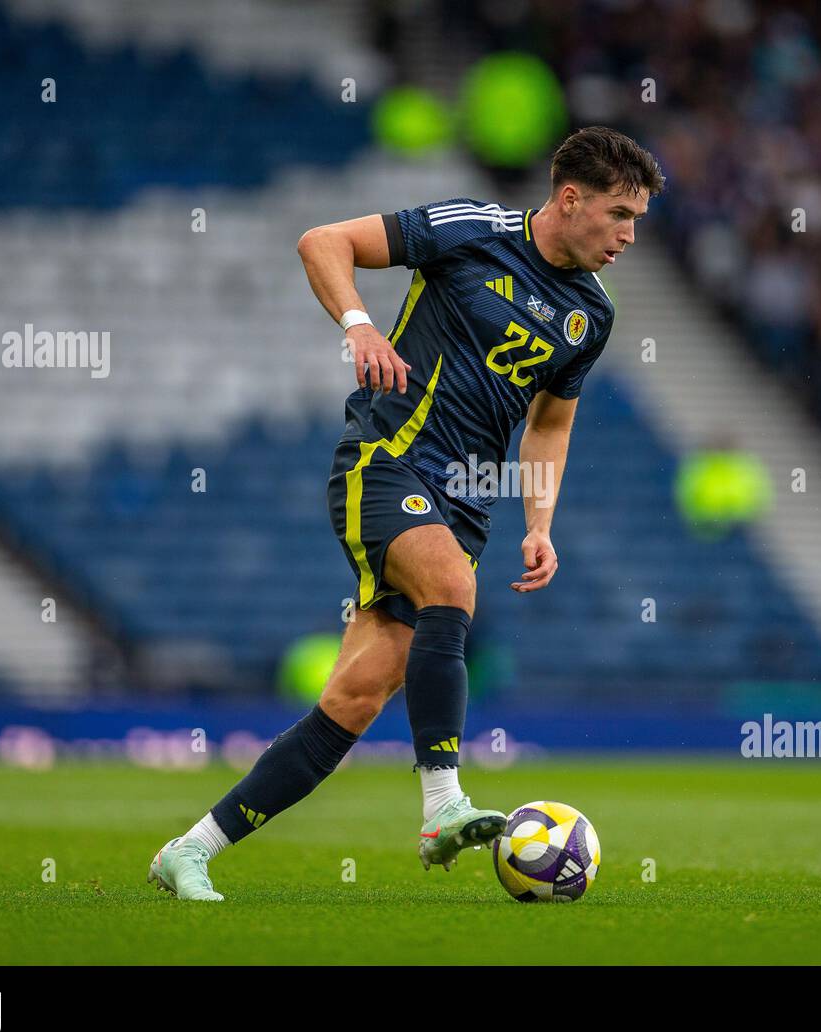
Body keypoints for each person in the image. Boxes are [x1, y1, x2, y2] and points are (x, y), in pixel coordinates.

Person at [148, 126, 664, 899]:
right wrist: (359, 326)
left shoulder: (591, 313)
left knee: (350, 704)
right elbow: (323, 241)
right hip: (384, 462)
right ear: (570, 198)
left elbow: (550, 424)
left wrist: (540, 523)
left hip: (465, 504)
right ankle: (442, 805)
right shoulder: (471, 232)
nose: (629, 235)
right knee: (453, 591)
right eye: (621, 214)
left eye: (638, 220)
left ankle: (190, 849)